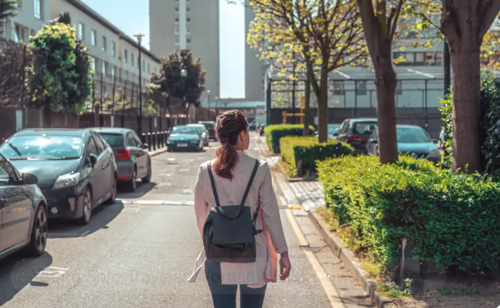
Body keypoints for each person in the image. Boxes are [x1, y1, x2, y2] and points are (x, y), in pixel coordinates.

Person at [188, 110, 291, 308]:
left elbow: (201, 218)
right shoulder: (259, 168)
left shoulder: (205, 170)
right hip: (254, 252)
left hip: (217, 254)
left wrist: (218, 239)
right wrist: (283, 252)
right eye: (248, 133)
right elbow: (270, 215)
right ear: (242, 135)